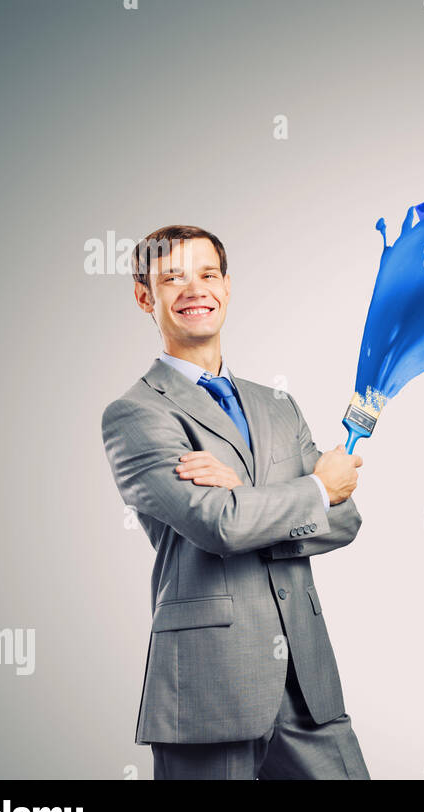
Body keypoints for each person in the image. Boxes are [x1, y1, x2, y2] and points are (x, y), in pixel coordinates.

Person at [100, 224, 370, 779]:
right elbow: (218, 526)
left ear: (227, 286)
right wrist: (313, 490)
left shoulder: (277, 405)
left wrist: (249, 500)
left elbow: (345, 520)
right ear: (145, 297)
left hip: (308, 679)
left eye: (207, 274)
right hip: (210, 684)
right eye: (172, 277)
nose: (194, 289)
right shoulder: (136, 414)